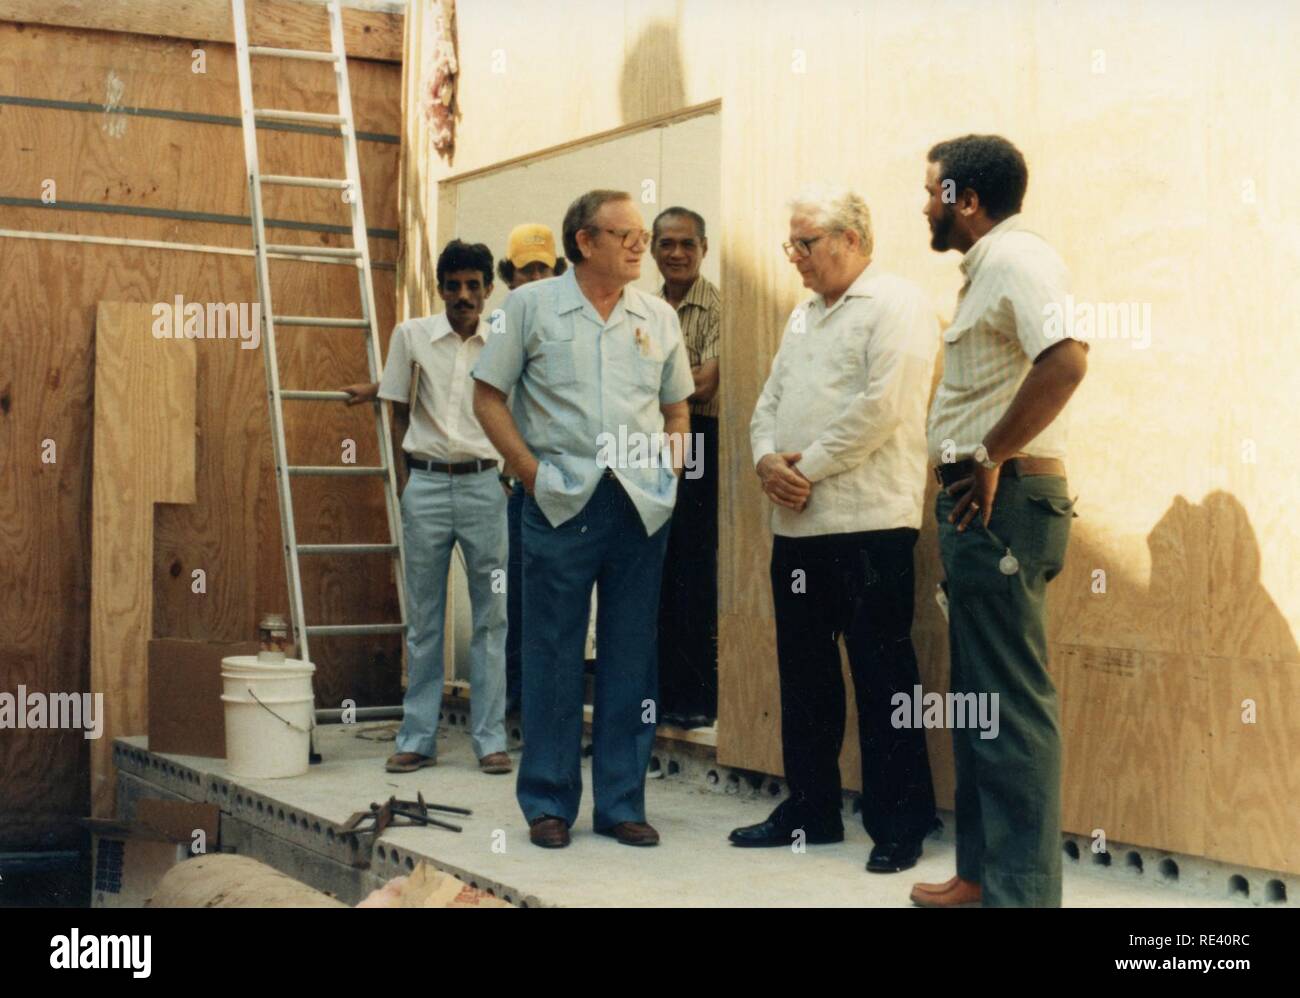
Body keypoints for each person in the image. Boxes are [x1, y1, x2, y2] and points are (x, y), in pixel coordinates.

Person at [472, 189, 694, 849]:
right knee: (552, 654)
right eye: (622, 233)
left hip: (637, 505)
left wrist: (671, 475)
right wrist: (530, 473)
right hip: (559, 500)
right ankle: (548, 801)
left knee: (631, 659)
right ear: (583, 242)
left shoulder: (657, 315)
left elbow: (677, 406)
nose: (638, 244)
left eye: (639, 232)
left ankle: (623, 803)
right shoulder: (528, 307)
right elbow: (488, 397)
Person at [731, 185, 940, 874]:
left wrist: (805, 470)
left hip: (869, 525)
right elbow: (770, 401)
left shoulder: (899, 305)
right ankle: (812, 809)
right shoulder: (803, 317)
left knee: (885, 677)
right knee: (805, 674)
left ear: (851, 240)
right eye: (790, 244)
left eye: (806, 243)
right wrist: (767, 460)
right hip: (798, 527)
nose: (794, 256)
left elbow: (883, 407)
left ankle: (899, 821)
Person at [910, 135, 1088, 908]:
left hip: (1003, 501)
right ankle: (982, 878)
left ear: (965, 200)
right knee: (981, 700)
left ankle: (1022, 897)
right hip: (980, 503)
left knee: (1010, 708)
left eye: (932, 192)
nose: (925, 205)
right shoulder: (988, 269)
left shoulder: (1018, 259)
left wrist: (989, 453)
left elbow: (1068, 358)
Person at [339, 240, 512, 777]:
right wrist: (405, 480)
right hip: (429, 488)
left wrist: (508, 475)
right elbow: (394, 405)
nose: (464, 295)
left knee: (492, 616)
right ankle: (417, 737)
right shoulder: (411, 335)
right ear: (441, 288)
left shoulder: (504, 339)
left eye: (473, 286)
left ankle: (489, 740)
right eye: (454, 285)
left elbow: (518, 405)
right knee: (424, 619)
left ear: (488, 289)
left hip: (486, 488)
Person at [650, 206, 721, 729]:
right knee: (650, 565)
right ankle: (654, 696)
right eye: (667, 243)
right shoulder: (642, 306)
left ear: (703, 248)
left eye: (687, 244)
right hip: (647, 440)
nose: (677, 253)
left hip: (699, 439)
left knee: (691, 568)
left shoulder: (718, 306)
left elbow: (705, 384)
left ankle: (693, 700)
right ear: (652, 248)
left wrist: (644, 385)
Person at [495, 223, 566, 721]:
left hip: (572, 484)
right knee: (519, 600)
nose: (537, 277)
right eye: (527, 270)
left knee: (563, 606)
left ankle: (554, 713)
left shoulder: (567, 319)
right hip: (524, 483)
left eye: (545, 268)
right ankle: (518, 707)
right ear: (510, 275)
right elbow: (487, 401)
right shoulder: (504, 324)